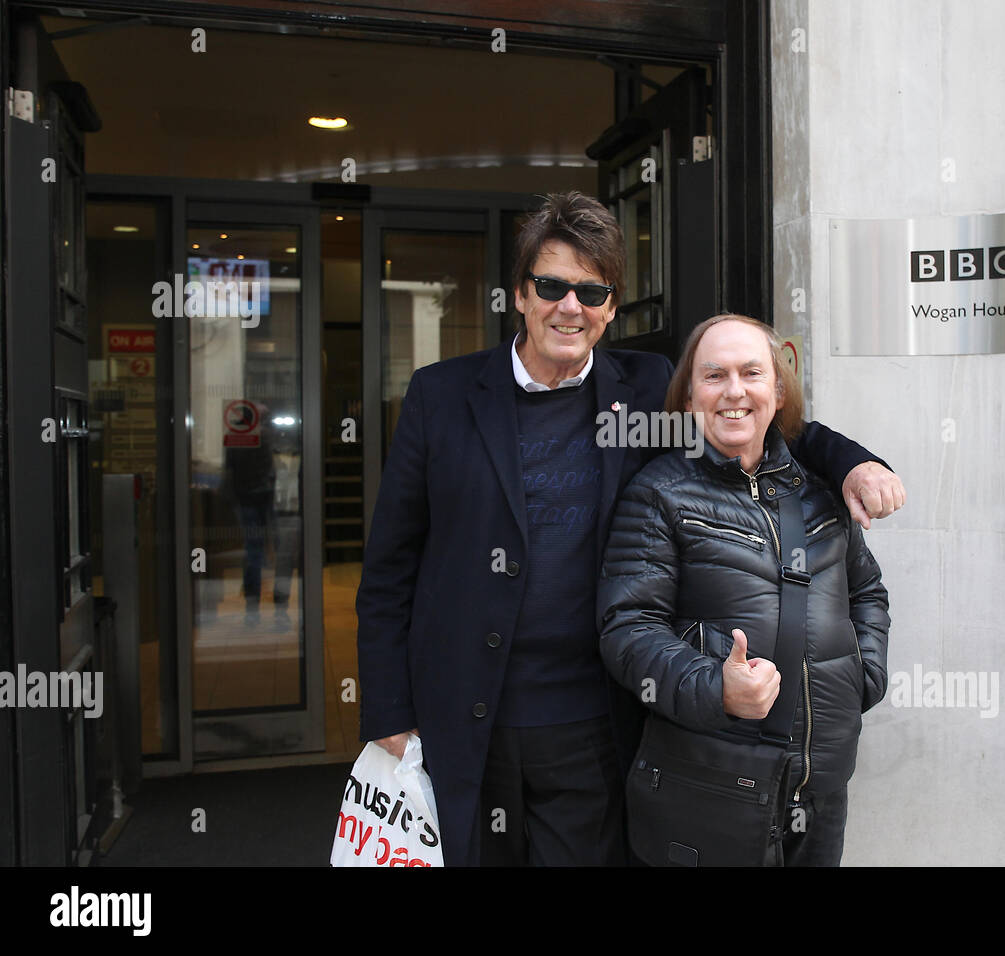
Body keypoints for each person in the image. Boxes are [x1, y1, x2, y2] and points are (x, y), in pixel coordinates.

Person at [355, 191, 904, 867]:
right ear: (520, 296)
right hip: (466, 713)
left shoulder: (643, 391)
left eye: (592, 292)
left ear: (611, 308)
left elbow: (757, 416)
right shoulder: (441, 396)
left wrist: (853, 463)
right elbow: (389, 567)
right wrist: (386, 708)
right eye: (551, 286)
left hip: (593, 720)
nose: (570, 307)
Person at [597, 314, 890, 866]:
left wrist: (863, 675)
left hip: (819, 790)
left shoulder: (821, 490)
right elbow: (628, 629)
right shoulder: (659, 493)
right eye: (714, 376)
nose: (735, 391)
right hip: (707, 790)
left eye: (751, 373)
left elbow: (867, 590)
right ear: (688, 399)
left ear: (777, 392)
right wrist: (715, 687)